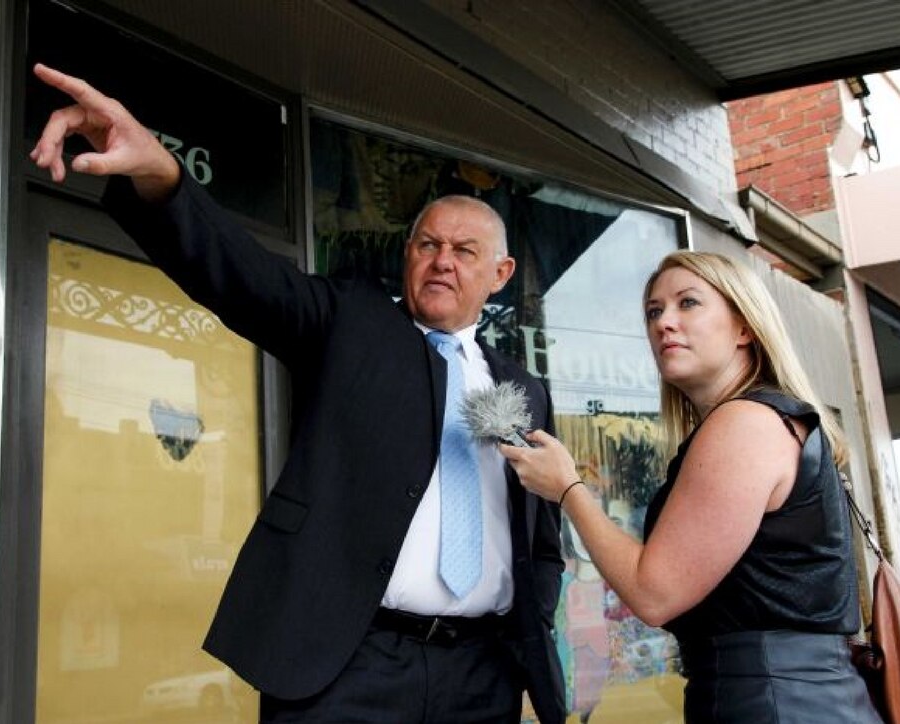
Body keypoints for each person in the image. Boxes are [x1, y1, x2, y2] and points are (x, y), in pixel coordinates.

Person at [29, 63, 566, 723]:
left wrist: (526, 627)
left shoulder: (520, 388)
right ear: (407, 257)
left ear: (501, 273)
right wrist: (160, 173)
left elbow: (540, 537)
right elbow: (240, 275)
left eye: (463, 249)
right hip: (348, 665)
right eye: (427, 244)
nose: (442, 259)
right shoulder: (351, 325)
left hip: (481, 674)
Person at [502, 250, 884, 722]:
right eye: (654, 311)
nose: (665, 323)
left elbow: (654, 592)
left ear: (744, 327)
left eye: (688, 303)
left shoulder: (746, 423)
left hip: (775, 705)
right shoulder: (769, 420)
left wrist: (568, 488)